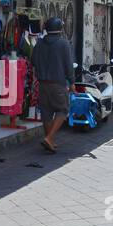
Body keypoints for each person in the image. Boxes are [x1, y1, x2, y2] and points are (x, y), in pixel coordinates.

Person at [31, 16, 74, 153]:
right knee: (63, 110)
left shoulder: (39, 43)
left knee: (47, 112)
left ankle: (50, 140)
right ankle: (49, 138)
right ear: (60, 29)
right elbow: (68, 66)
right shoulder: (63, 44)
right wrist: (72, 82)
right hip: (58, 84)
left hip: (42, 84)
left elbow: (33, 61)